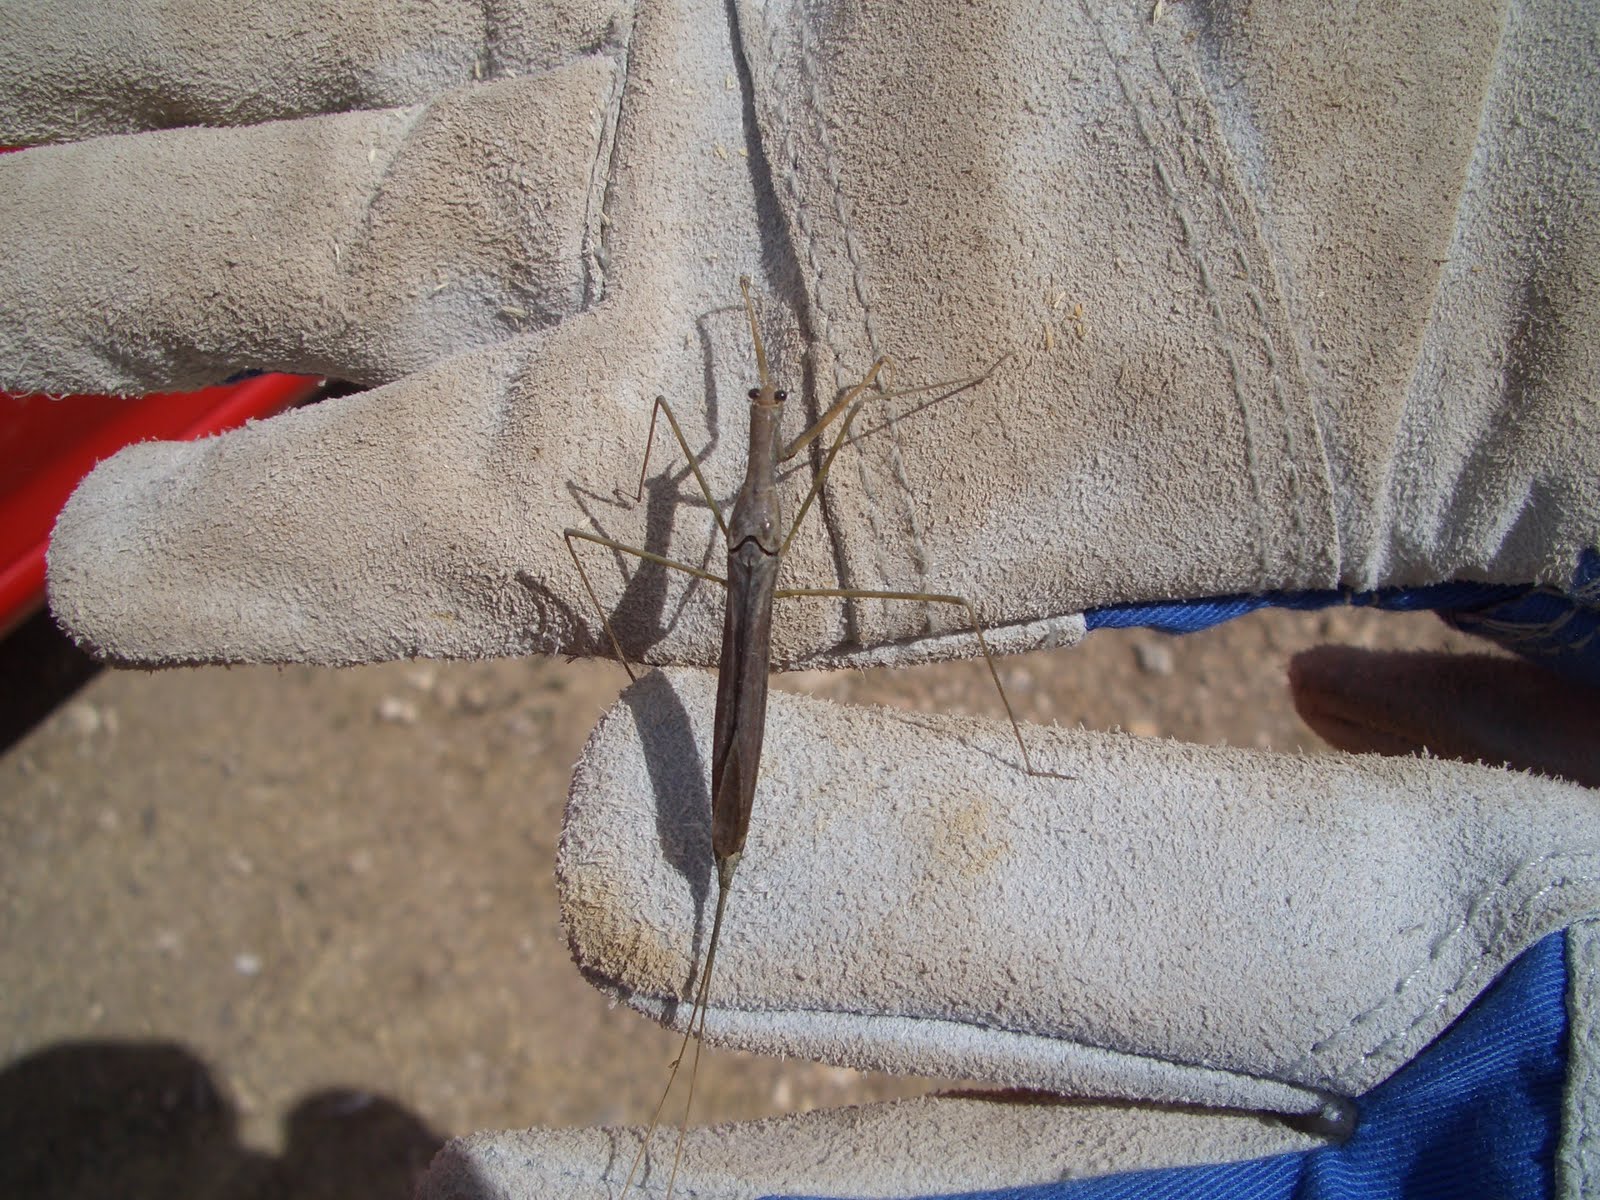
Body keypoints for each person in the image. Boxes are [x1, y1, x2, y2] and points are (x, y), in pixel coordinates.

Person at [3, 1, 1595, 1195]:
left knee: (830, 546)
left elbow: (765, 458)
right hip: (741, 613)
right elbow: (745, 476)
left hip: (747, 617)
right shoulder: (749, 469)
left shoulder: (756, 458)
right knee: (768, 538)